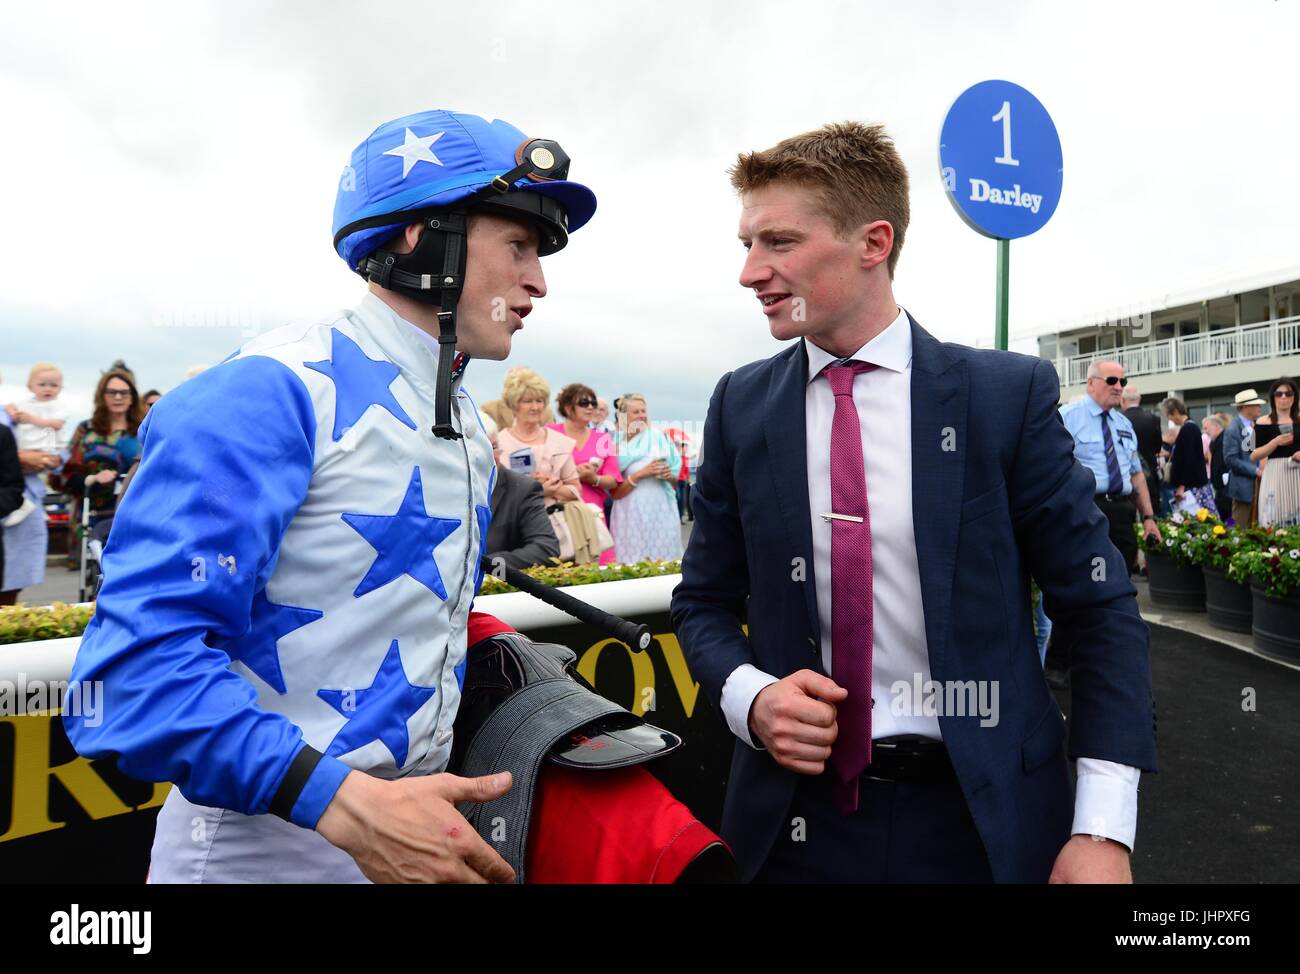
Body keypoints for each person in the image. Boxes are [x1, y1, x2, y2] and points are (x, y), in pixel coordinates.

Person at [63, 108, 600, 883]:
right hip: (262, 852)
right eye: (518, 245)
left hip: (420, 836)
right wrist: (344, 803)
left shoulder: (472, 434)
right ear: (423, 236)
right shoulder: (270, 387)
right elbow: (130, 675)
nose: (539, 282)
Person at [671, 121, 1157, 884]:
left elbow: (1098, 609)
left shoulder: (1004, 398)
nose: (751, 272)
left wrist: (1102, 827)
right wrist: (752, 699)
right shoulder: (741, 406)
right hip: (792, 825)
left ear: (873, 242)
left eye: (780, 242)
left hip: (981, 821)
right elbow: (701, 601)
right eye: (746, 245)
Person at [1059, 361, 1162, 574]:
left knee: (1122, 579)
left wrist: (1149, 518)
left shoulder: (1123, 424)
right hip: (1085, 510)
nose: (1118, 386)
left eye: (1122, 381)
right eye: (1111, 380)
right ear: (1090, 383)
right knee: (1087, 581)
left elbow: (1136, 474)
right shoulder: (1068, 417)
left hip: (1122, 513)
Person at [59, 369, 144, 569]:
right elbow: (65, 475)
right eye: (111, 392)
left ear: (132, 397)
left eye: (124, 392)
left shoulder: (143, 430)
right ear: (101, 396)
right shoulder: (86, 430)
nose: (118, 397)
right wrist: (93, 478)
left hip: (134, 512)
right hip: (93, 511)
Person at [548, 382, 620, 564]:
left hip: (593, 513)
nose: (590, 407)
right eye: (583, 402)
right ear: (567, 407)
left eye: (593, 403)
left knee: (597, 568)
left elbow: (613, 480)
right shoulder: (550, 433)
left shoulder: (602, 439)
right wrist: (572, 475)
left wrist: (593, 479)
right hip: (558, 511)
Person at [609, 394, 684, 563]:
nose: (642, 415)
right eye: (636, 412)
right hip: (628, 509)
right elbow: (613, 487)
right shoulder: (616, 444)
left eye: (644, 411)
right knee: (631, 559)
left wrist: (668, 476)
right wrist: (641, 473)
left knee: (664, 558)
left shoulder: (658, 437)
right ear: (623, 416)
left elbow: (674, 479)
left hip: (659, 508)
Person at [481, 413, 561, 570]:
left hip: (497, 588)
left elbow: (546, 549)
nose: (491, 456)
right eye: (484, 448)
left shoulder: (522, 488)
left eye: (495, 447)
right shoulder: (442, 488)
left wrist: (485, 567)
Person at [498, 368, 581, 506]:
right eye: (527, 401)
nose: (535, 407)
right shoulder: (499, 443)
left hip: (554, 523)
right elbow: (493, 494)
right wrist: (538, 490)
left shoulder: (559, 442)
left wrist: (553, 487)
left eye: (539, 400)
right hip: (513, 525)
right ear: (513, 404)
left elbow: (576, 490)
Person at [1249, 377, 1300, 527]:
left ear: (1294, 397)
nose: (1284, 397)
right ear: (1273, 397)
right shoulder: (1261, 422)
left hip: (1298, 473)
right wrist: (1274, 442)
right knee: (1274, 518)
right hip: (1274, 474)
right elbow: (1252, 454)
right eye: (1279, 394)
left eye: (1288, 393)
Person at [1161, 398, 1215, 516]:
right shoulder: (1190, 427)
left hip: (1192, 487)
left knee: (1199, 520)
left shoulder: (1188, 429)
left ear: (1175, 412)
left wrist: (1181, 486)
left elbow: (1189, 460)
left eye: (1168, 415)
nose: (1169, 419)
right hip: (1193, 485)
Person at [5, 362, 71, 455]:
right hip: (25, 448)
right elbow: (9, 406)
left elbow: (57, 425)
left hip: (50, 449)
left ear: (61, 388)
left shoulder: (59, 405)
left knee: (46, 465)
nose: (48, 389)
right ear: (30, 387)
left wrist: (31, 419)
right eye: (42, 385)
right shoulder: (25, 402)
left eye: (54, 385)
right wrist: (13, 414)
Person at [1222, 388, 1265, 526]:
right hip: (1242, 488)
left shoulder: (1254, 425)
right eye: (1257, 405)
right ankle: (1226, 541)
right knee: (1236, 523)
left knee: (1252, 525)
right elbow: (1230, 459)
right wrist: (1255, 470)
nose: (1260, 407)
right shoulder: (1233, 429)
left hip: (1256, 486)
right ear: (1246, 407)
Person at [1121, 385, 1161, 512]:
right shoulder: (1153, 418)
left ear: (1123, 400)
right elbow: (1157, 446)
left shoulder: (1119, 419)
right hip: (1150, 471)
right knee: (1152, 510)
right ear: (1140, 399)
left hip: (1127, 474)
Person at [1205, 414, 1230, 520]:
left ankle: (1233, 533)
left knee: (1229, 517)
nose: (1205, 431)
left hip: (1226, 488)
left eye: (1207, 428)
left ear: (1217, 426)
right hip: (1220, 488)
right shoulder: (1214, 442)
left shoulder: (1225, 440)